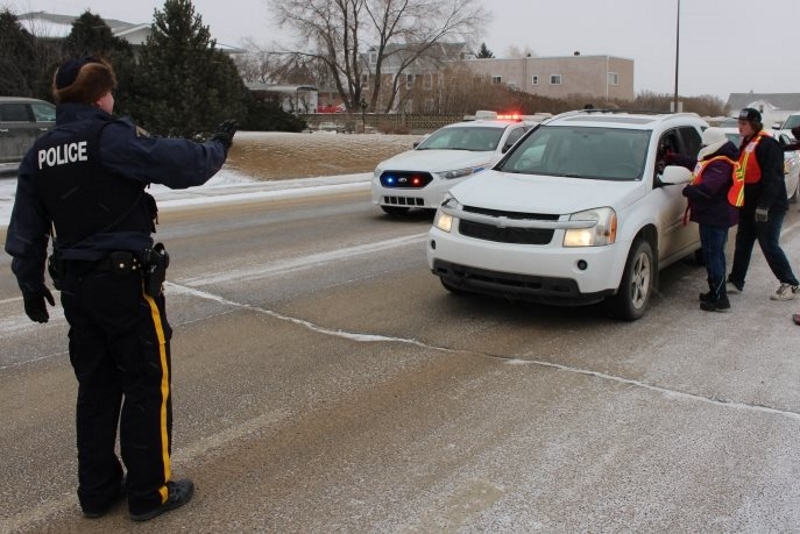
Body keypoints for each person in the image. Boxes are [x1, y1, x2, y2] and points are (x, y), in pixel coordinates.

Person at [4, 56, 237, 521]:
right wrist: (217, 145)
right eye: (110, 92)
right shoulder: (109, 138)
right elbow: (182, 164)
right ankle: (151, 492)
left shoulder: (43, 151)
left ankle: (97, 491)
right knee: (147, 383)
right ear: (99, 95)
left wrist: (29, 281)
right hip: (124, 284)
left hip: (77, 290)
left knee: (96, 388)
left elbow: (26, 227)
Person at [726, 108, 800, 300]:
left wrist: (764, 206)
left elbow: (774, 179)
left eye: (744, 124)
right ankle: (736, 280)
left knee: (769, 244)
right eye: (739, 123)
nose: (740, 127)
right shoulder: (747, 143)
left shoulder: (768, 144)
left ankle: (790, 284)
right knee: (743, 242)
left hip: (769, 207)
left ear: (754, 124)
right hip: (749, 205)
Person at [671, 127, 739, 311]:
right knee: (716, 255)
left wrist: (688, 190)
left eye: (704, 144)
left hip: (715, 216)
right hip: (716, 214)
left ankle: (719, 299)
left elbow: (708, 188)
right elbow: (698, 166)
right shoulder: (718, 159)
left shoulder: (721, 164)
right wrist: (675, 158)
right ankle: (715, 292)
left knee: (712, 256)